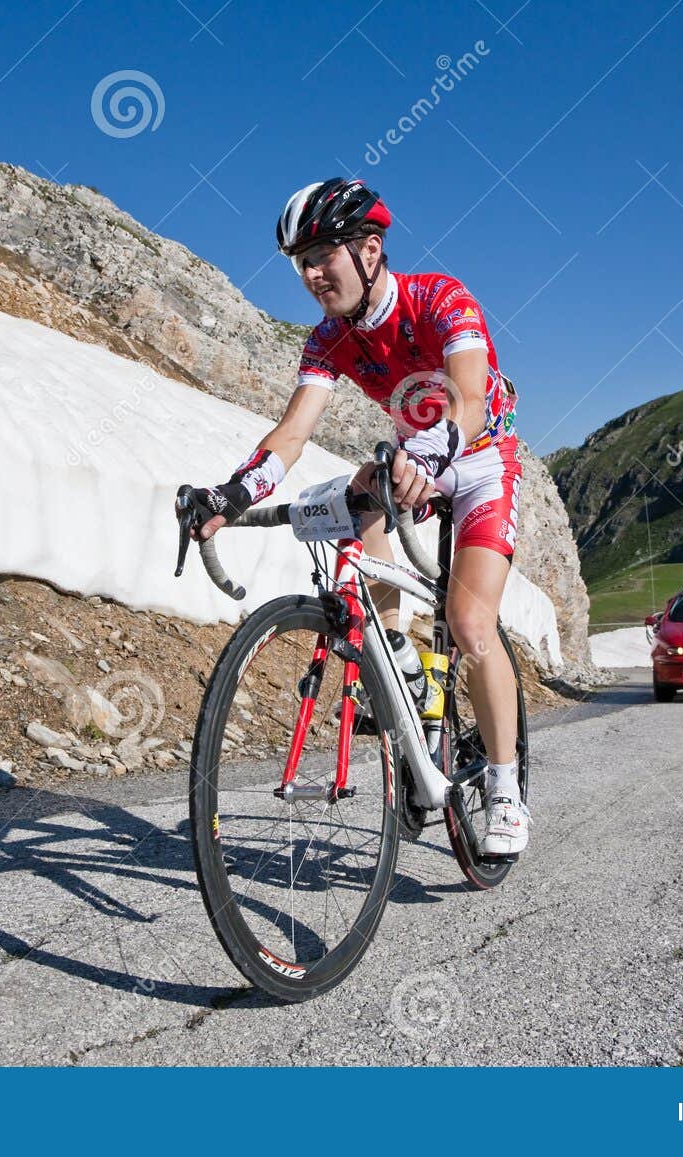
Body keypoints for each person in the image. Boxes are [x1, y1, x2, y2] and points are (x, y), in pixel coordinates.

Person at [185, 178, 528, 856]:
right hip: (413, 460)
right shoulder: (327, 339)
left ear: (370, 250)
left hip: (482, 459)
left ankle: (504, 785)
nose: (311, 275)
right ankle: (397, 655)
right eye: (301, 263)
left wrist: (428, 452)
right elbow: (292, 433)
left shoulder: (441, 298)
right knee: (355, 494)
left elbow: (467, 399)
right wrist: (230, 495)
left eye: (322, 256)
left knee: (468, 623)